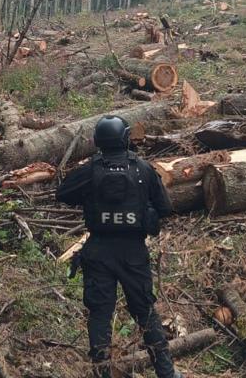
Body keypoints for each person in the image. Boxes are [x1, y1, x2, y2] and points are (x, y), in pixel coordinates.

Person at [56, 115, 180, 378]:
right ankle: (167, 374)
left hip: (99, 251)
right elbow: (165, 208)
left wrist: (90, 195)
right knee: (146, 314)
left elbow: (63, 193)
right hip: (133, 253)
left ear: (98, 141)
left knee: (100, 315)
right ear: (125, 137)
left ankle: (102, 372)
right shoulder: (143, 168)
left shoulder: (92, 169)